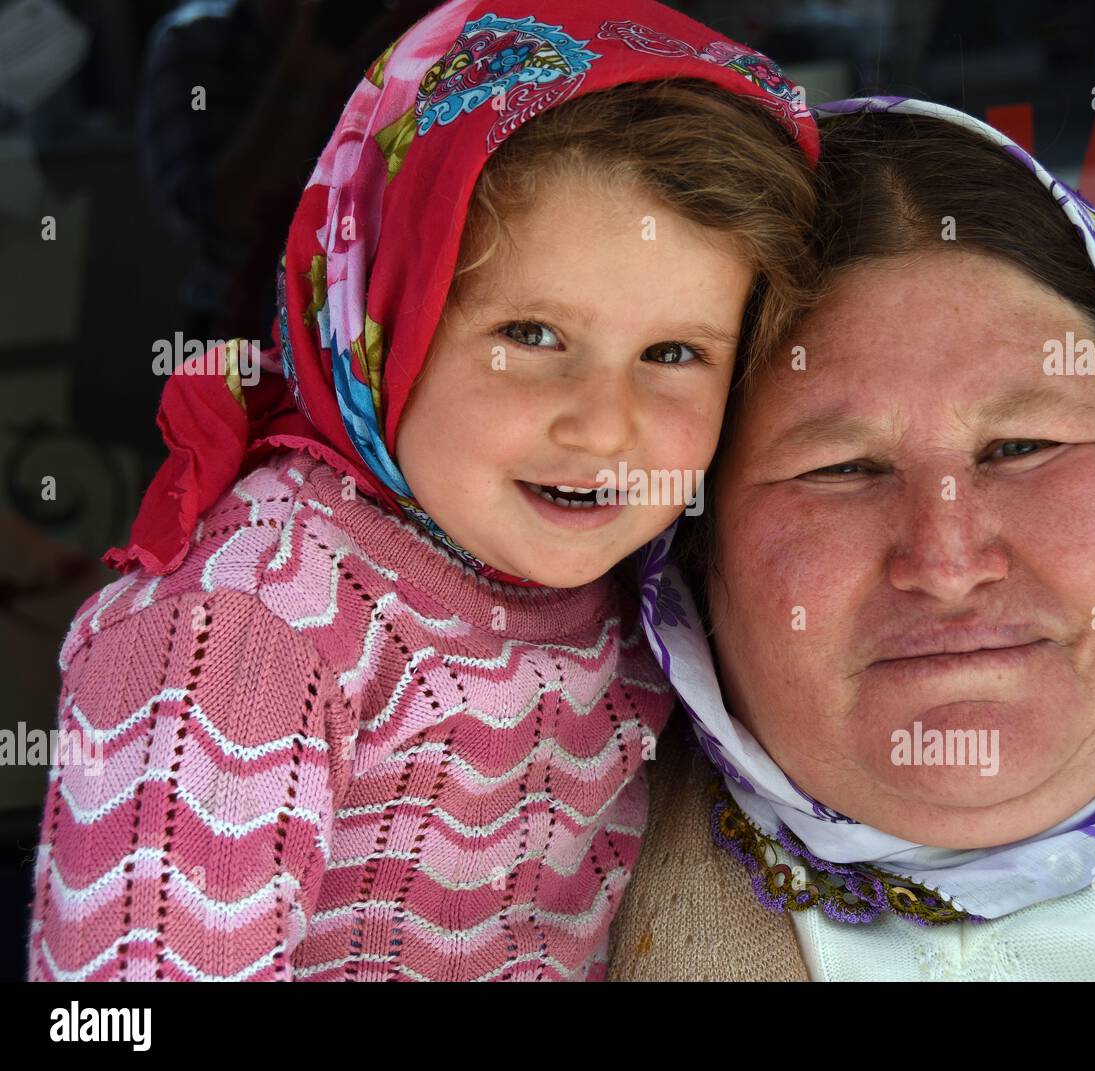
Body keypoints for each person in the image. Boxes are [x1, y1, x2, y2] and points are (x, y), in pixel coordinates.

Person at [26, 0, 820, 981]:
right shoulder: (243, 630)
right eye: (531, 336)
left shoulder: (637, 593)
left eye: (672, 354)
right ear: (380, 322)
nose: (604, 425)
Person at [608, 96, 1095, 981]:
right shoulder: (521, 865)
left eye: (1023, 448)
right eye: (841, 468)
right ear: (695, 554)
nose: (946, 563)